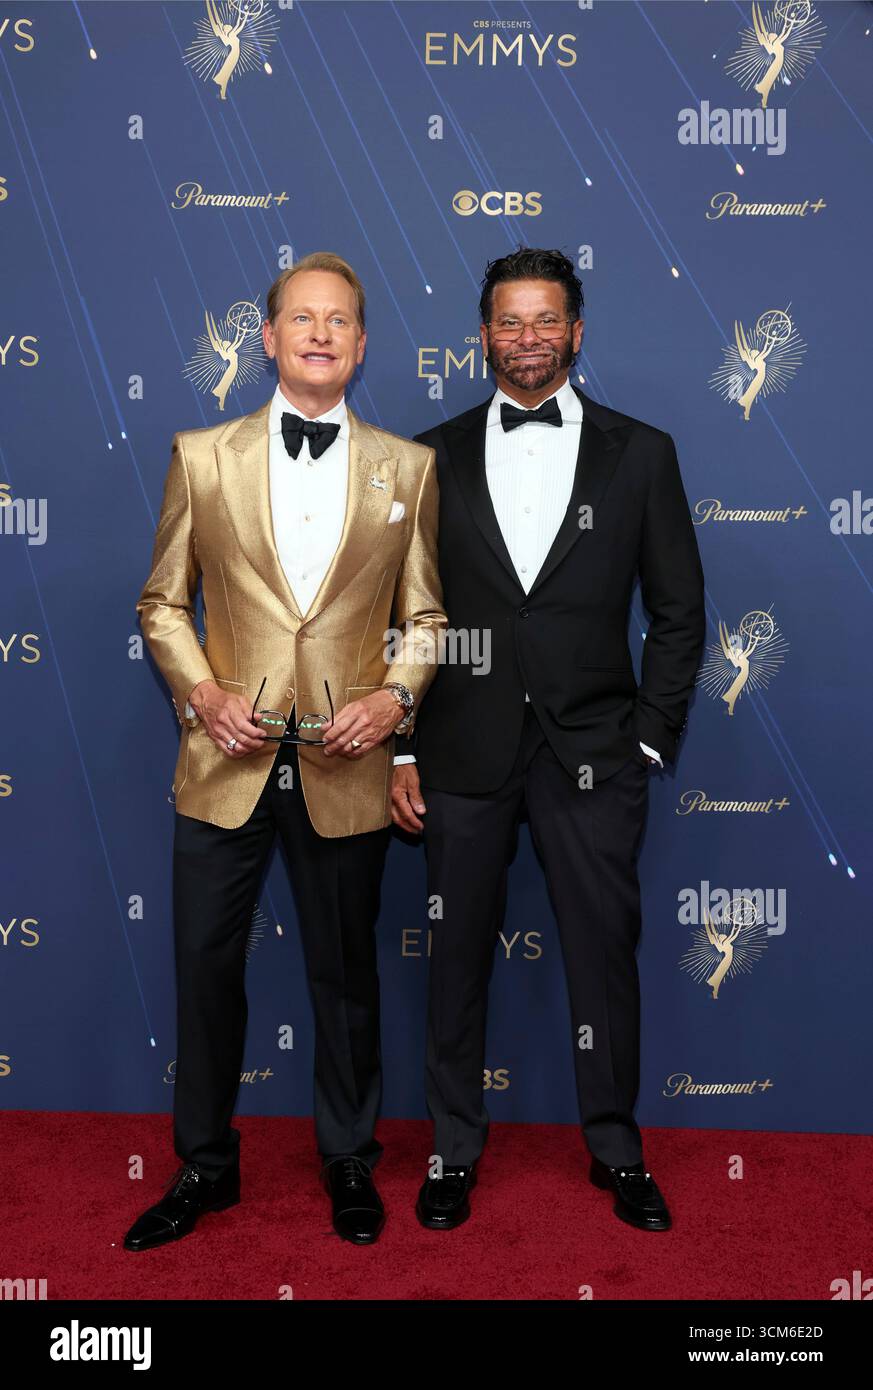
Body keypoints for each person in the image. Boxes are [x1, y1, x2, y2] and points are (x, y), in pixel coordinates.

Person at [125, 252, 445, 1251]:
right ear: (266, 338)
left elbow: (428, 616)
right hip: (223, 762)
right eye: (300, 318)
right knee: (205, 969)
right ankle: (205, 1167)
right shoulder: (202, 453)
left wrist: (394, 701)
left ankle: (351, 1159)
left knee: (345, 976)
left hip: (347, 765)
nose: (318, 333)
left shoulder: (410, 469)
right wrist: (202, 694)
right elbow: (162, 602)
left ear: (360, 343)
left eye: (339, 320)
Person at [392, 247, 705, 1233]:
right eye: (509, 321)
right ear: (483, 334)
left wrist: (649, 740)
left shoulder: (641, 452)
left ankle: (616, 1148)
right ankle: (452, 1150)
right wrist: (399, 746)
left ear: (576, 331)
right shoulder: (426, 454)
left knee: (603, 956)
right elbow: (403, 616)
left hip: (595, 753)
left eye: (546, 321)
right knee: (453, 959)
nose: (526, 338)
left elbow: (680, 610)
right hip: (460, 750)